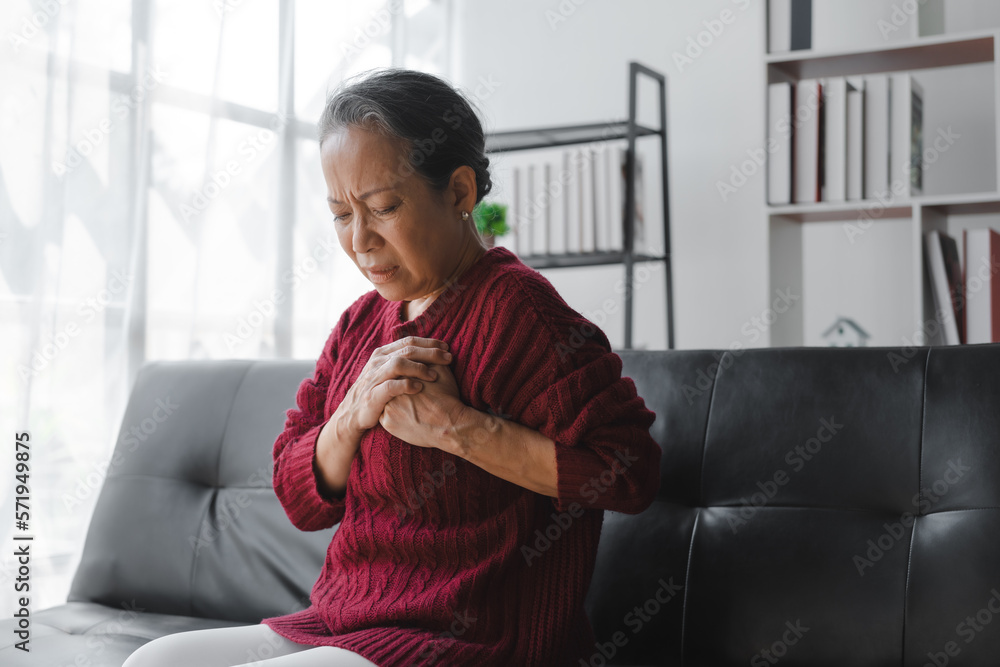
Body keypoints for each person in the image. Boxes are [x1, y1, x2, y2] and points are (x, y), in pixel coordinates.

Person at [122, 66, 661, 667]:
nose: (359, 241)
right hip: (340, 625)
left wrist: (459, 429)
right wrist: (350, 416)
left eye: (382, 207)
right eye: (341, 214)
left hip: (473, 643)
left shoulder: (521, 311)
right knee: (155, 661)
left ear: (459, 192)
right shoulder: (360, 325)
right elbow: (300, 498)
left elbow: (627, 472)